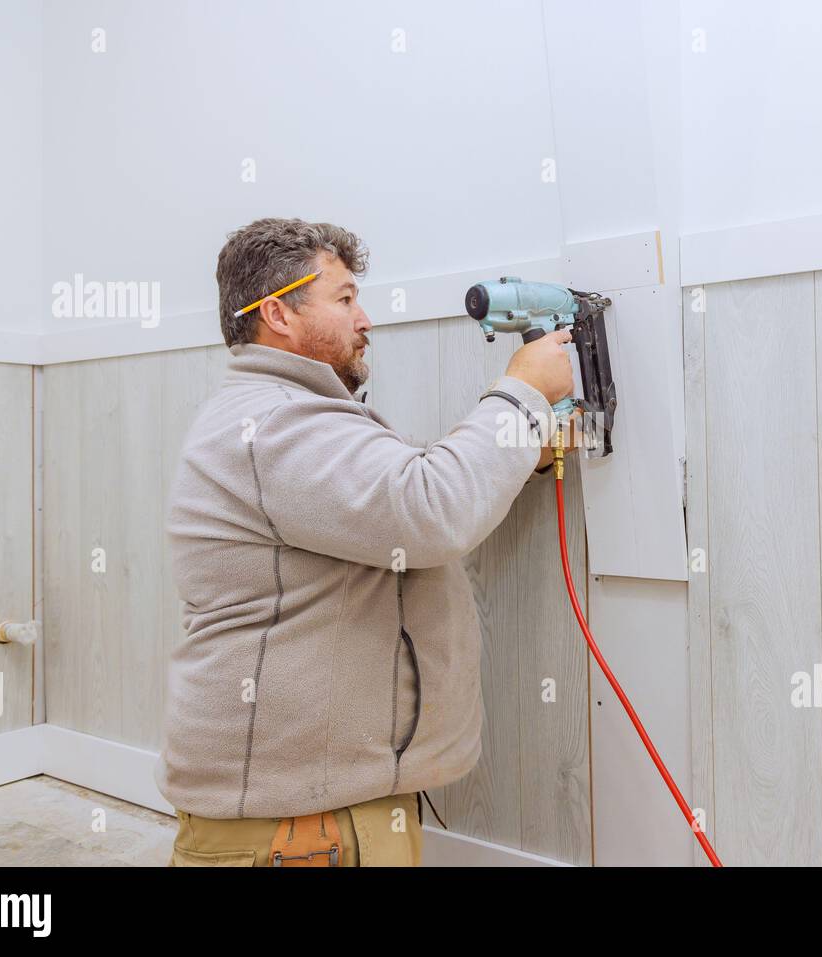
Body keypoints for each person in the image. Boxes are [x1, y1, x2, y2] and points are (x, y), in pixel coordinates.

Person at [156, 217, 579, 866]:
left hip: (327, 811)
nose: (366, 318)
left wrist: (523, 451)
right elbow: (428, 508)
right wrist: (523, 391)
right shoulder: (272, 421)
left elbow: (391, 503)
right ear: (279, 314)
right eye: (345, 298)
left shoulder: (291, 414)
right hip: (294, 830)